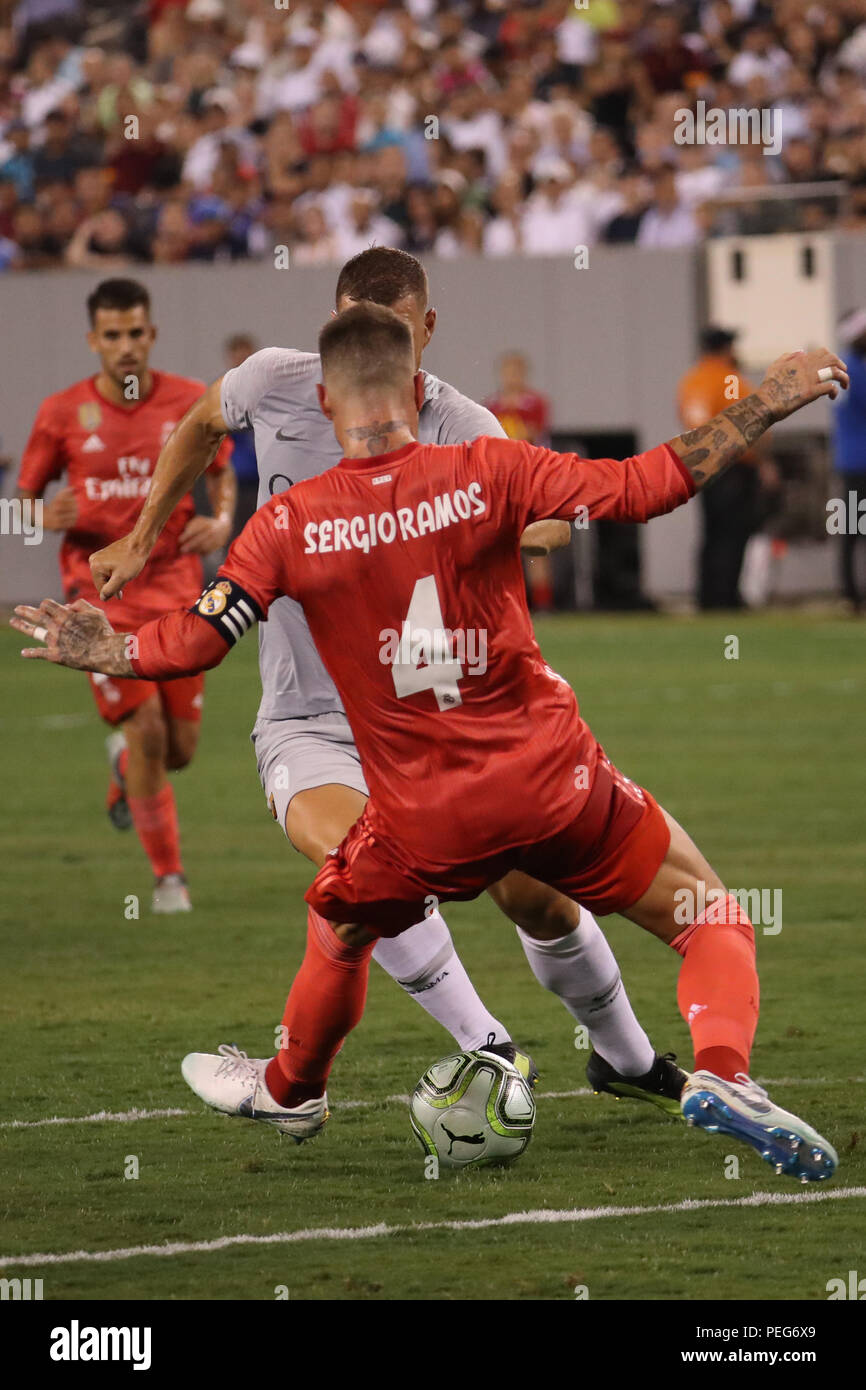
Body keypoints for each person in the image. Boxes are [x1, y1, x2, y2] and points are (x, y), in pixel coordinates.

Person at [14, 304, 848, 1183]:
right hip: (549, 778)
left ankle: (295, 1082)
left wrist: (107, 646)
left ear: (326, 406)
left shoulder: (289, 523)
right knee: (710, 914)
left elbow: (196, 641)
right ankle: (721, 1072)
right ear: (417, 388)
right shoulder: (488, 466)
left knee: (339, 919)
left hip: (419, 815)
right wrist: (762, 403)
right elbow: (644, 488)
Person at [80, 249, 682, 1113]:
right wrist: (142, 537)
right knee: (356, 869)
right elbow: (201, 423)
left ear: (426, 333)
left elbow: (545, 523)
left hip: (436, 720)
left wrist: (471, 530)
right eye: (349, 331)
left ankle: (624, 1058)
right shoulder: (272, 383)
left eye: (393, 334)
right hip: (309, 720)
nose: (370, 355)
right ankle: (490, 1048)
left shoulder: (465, 427)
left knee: (539, 902)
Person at [16, 278, 236, 913]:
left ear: (152, 334)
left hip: (176, 591)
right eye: (112, 336)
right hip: (98, 600)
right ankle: (169, 881)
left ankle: (124, 773)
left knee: (181, 751)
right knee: (145, 731)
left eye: (135, 333)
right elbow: (15, 506)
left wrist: (221, 523)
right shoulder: (62, 413)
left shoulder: (193, 401)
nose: (126, 347)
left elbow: (223, 479)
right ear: (93, 341)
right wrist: (36, 517)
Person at [677, 325, 776, 609]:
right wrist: (761, 460)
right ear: (724, 348)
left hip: (704, 467)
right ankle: (725, 598)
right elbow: (752, 425)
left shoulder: (694, 379)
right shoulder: (726, 379)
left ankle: (709, 597)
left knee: (713, 533)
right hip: (732, 466)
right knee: (732, 534)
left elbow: (694, 424)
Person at [484, 351, 556, 611]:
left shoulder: (535, 403)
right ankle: (503, 603)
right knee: (498, 543)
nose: (511, 376)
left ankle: (543, 602)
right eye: (507, 371)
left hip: (528, 478)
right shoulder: (491, 405)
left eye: (516, 371)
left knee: (534, 541)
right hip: (499, 481)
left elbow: (532, 435)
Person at [832, 307, 866, 611]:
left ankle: (850, 593)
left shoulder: (845, 365)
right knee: (854, 529)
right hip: (861, 460)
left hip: (849, 460)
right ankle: (851, 594)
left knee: (852, 528)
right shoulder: (856, 369)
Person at [222, 332, 259, 538]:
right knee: (235, 540)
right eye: (238, 355)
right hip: (235, 484)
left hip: (264, 482)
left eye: (247, 355)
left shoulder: (267, 392)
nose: (242, 360)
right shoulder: (221, 395)